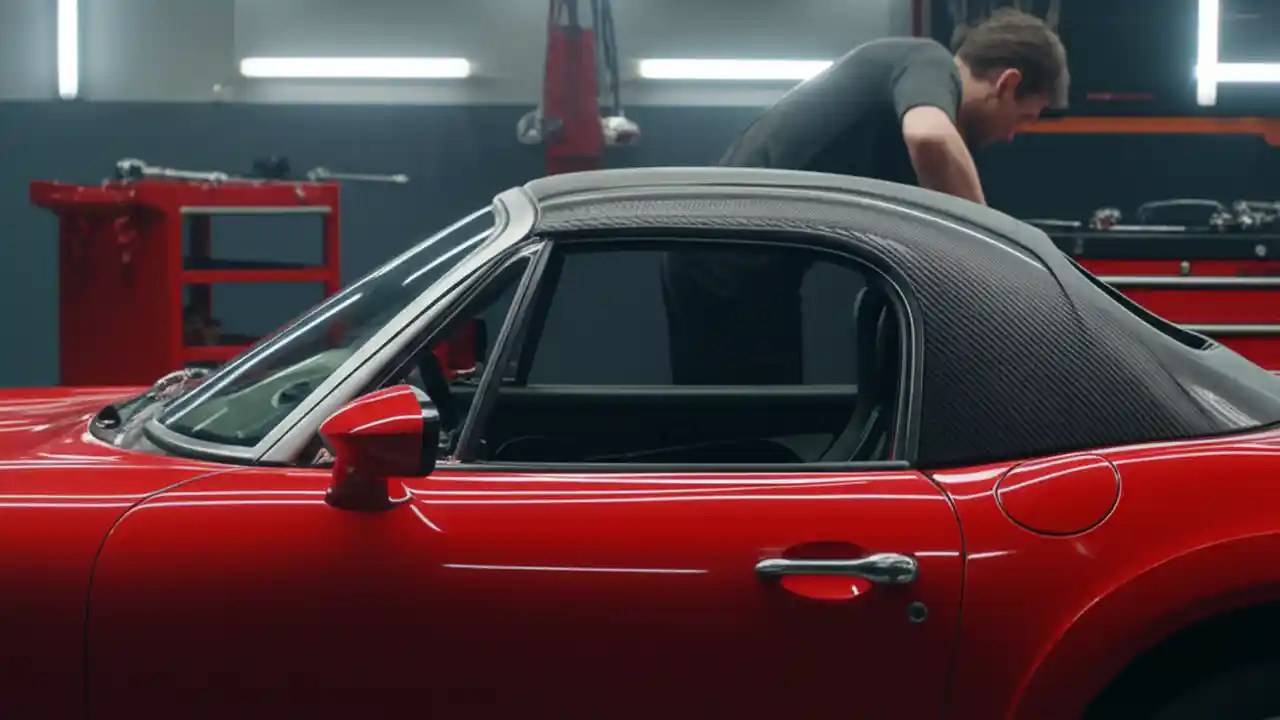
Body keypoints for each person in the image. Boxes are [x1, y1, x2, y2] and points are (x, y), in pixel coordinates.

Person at [661, 8, 1069, 384]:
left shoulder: (904, 104)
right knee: (748, 437)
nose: (1012, 135)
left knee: (755, 426)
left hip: (742, 260)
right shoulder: (929, 61)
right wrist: (994, 257)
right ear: (1007, 83)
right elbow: (929, 136)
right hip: (726, 254)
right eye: (1024, 117)